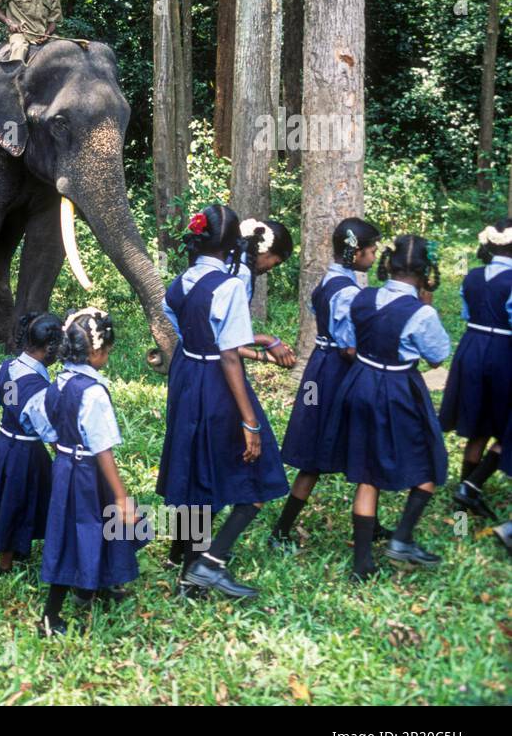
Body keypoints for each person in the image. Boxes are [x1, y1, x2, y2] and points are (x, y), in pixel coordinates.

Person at [157, 204, 289, 599]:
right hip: (217, 380)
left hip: (186, 378)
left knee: (197, 469)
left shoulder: (180, 283)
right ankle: (210, 563)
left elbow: (182, 329)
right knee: (257, 477)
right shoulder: (230, 286)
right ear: (235, 244)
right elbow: (229, 353)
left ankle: (186, 575)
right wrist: (249, 420)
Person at [319, 235, 451, 581]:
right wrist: (429, 305)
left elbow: (347, 341)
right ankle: (402, 537)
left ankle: (362, 564)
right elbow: (437, 356)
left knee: (366, 471)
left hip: (359, 382)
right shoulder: (420, 312)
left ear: (388, 265)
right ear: (425, 272)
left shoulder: (362, 297)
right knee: (430, 461)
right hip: (397, 389)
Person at [272, 218, 389, 549]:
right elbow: (350, 346)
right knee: (339, 446)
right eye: (372, 249)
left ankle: (369, 522)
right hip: (338, 371)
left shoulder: (328, 281)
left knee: (322, 448)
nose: (375, 253)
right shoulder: (349, 292)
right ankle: (281, 528)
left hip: (321, 367)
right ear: (356, 252)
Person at [28, 308, 143, 635]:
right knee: (81, 533)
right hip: (88, 473)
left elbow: (44, 421)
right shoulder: (92, 392)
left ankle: (100, 585)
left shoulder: (59, 382)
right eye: (107, 349)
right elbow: (102, 448)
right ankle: (50, 618)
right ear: (95, 352)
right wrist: (122, 497)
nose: (107, 354)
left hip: (66, 467)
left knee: (96, 527)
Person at [0, 312, 61, 574]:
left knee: (9, 496)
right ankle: (5, 562)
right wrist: (63, 452)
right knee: (18, 501)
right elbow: (47, 430)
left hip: (3, 444)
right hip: (26, 452)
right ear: (49, 350)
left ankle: (20, 546)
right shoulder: (38, 388)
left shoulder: (5, 368)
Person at [439, 219, 512, 520]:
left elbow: (467, 313)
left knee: (478, 424)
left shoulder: (472, 276)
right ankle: (472, 485)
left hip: (470, 349)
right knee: (506, 425)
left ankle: (463, 507)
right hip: (503, 353)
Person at [233, 218, 299, 368]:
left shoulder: (231, 259)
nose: (270, 269)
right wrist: (267, 341)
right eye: (275, 263)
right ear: (266, 250)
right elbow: (224, 338)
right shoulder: (241, 273)